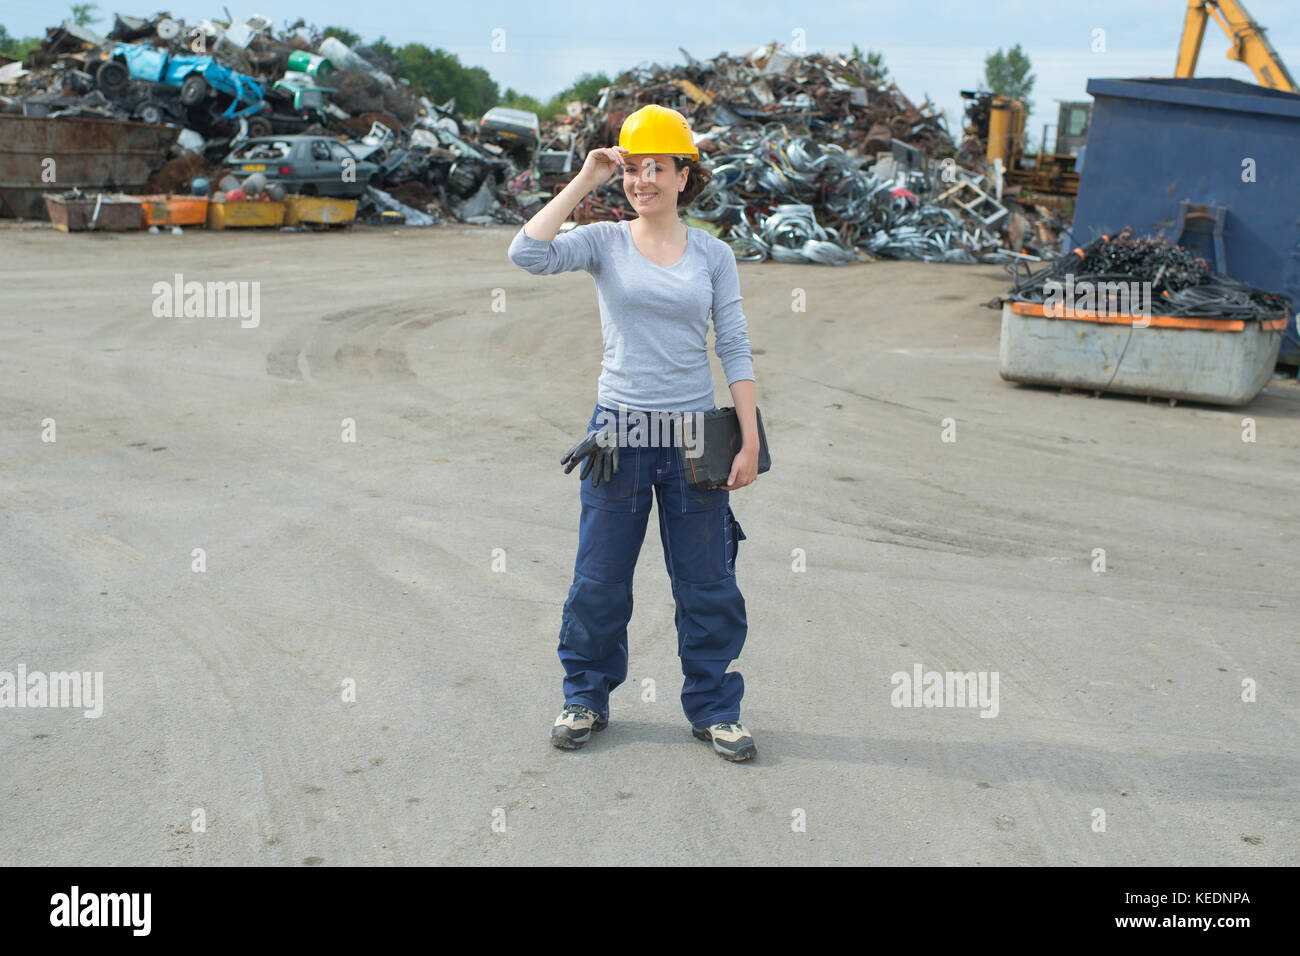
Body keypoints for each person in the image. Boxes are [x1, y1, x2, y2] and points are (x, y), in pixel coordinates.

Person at [507, 104, 760, 762]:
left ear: (684, 174)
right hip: (617, 434)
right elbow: (526, 253)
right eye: (633, 168)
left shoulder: (713, 254)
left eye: (657, 167)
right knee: (599, 582)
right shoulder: (605, 241)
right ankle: (585, 697)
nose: (642, 179)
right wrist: (586, 179)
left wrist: (750, 439)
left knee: (708, 585)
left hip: (697, 438)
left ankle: (715, 708)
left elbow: (733, 345)